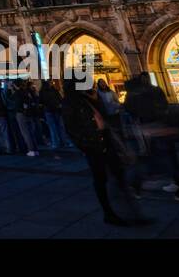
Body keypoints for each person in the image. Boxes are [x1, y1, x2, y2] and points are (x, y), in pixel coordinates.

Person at [64, 80, 149, 226]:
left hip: (106, 140)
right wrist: (87, 145)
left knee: (118, 175)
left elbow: (103, 117)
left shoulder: (88, 99)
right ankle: (110, 213)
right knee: (101, 180)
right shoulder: (71, 103)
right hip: (93, 145)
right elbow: (72, 129)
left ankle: (130, 211)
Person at [39, 79, 68, 149]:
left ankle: (57, 143)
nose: (52, 83)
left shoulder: (43, 91)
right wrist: (59, 105)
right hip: (54, 110)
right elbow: (59, 99)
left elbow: (42, 102)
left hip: (50, 111)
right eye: (51, 82)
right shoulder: (53, 90)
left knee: (54, 128)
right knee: (58, 127)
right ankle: (61, 142)